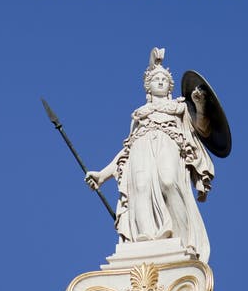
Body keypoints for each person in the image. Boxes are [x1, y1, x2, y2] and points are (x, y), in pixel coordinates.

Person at [85, 48, 214, 262]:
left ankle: (184, 239)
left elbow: (203, 128)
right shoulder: (139, 114)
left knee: (168, 182)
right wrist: (102, 175)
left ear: (170, 87)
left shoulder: (179, 107)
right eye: (157, 79)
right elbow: (126, 150)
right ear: (148, 86)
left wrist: (199, 105)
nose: (161, 82)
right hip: (141, 148)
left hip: (169, 142)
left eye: (165, 79)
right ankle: (145, 236)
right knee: (141, 186)